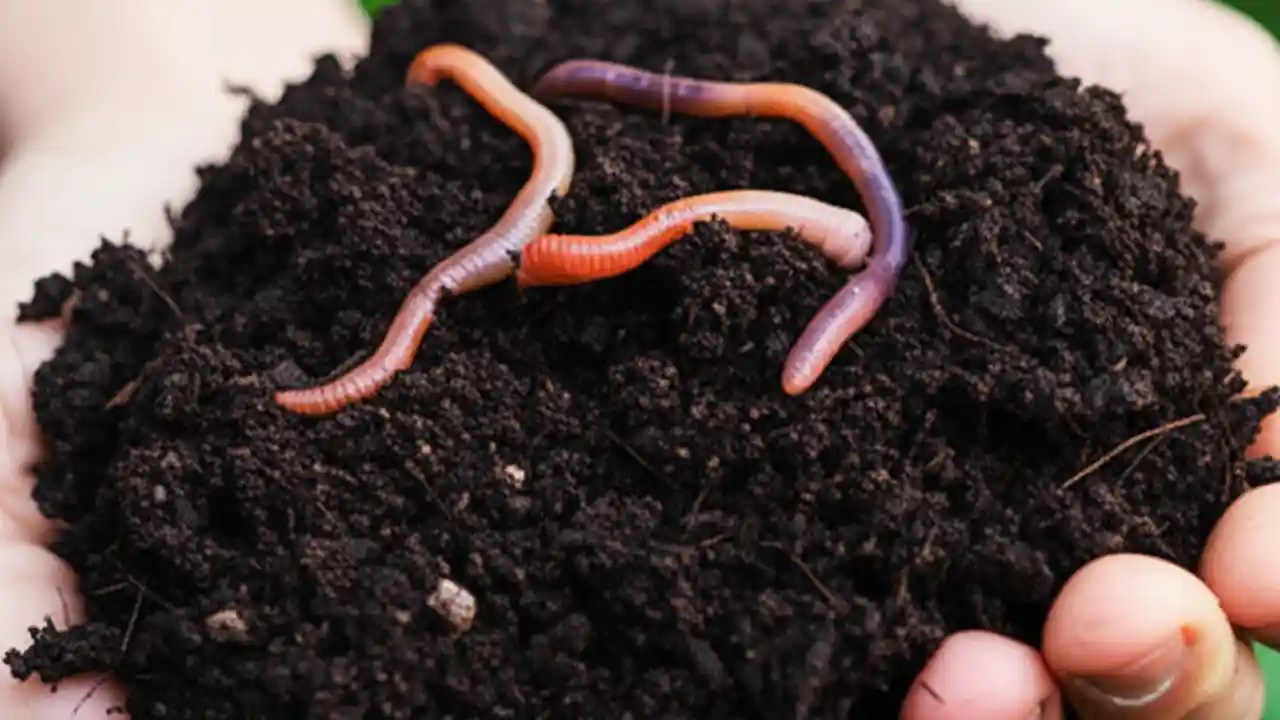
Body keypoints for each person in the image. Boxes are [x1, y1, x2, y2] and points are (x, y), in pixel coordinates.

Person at [1, 0, 1277, 717]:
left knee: (674, 213)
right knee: (518, 221)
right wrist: (129, 81)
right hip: (587, 204)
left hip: (784, 210)